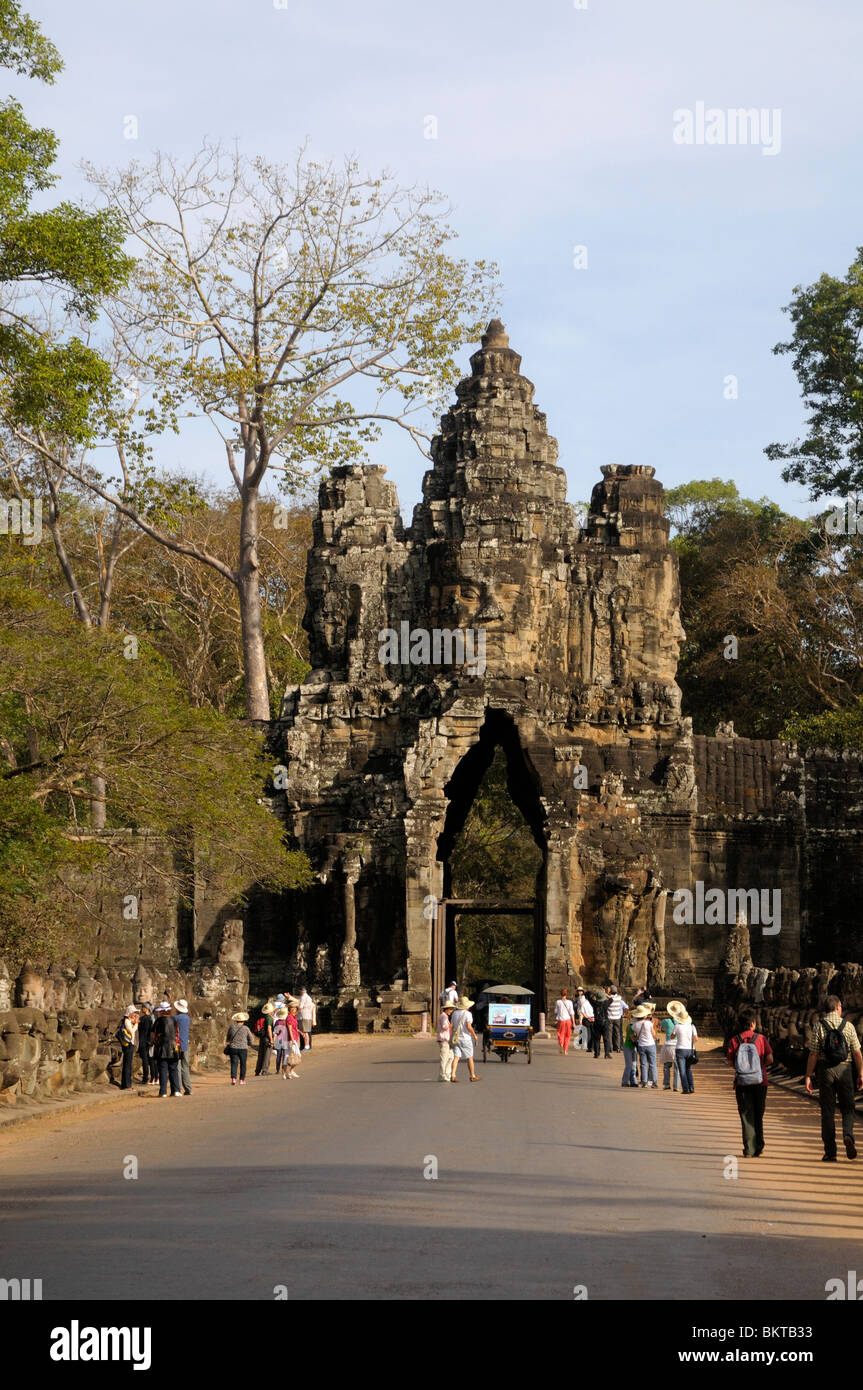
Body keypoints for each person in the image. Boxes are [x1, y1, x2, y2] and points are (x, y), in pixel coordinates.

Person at [804, 994, 863, 1161]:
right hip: (845, 1069)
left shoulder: (819, 1026)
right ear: (838, 1008)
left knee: (827, 1111)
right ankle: (848, 1135)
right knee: (848, 1107)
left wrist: (808, 1075)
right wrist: (861, 1073)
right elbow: (857, 1052)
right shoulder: (849, 1026)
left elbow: (813, 1054)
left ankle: (830, 1152)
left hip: (825, 1070)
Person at [727, 1008, 774, 1157]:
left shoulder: (734, 1040)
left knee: (746, 1115)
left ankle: (749, 1148)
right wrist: (759, 1067)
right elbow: (770, 1059)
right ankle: (759, 1146)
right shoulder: (761, 1039)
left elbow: (730, 1062)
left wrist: (743, 1068)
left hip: (742, 1082)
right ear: (753, 1023)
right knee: (759, 1113)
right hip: (760, 1081)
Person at [449, 995, 481, 1083]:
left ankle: (453, 1075)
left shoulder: (454, 1013)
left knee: (456, 1057)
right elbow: (468, 1026)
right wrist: (474, 1035)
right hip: (465, 1038)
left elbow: (451, 1025)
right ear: (467, 1006)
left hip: (456, 1038)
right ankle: (472, 1075)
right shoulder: (468, 1014)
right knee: (469, 1057)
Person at [668, 1000, 697, 1094]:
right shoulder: (692, 1026)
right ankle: (691, 1087)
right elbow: (696, 1038)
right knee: (688, 1069)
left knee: (682, 1070)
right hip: (690, 1050)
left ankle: (685, 1089)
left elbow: (672, 1037)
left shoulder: (677, 1026)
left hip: (680, 1049)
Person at [153, 1003, 181, 1097]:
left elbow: (153, 1034)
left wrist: (155, 1042)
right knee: (173, 1069)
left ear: (161, 1011)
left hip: (162, 1047)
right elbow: (177, 1033)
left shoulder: (158, 1021)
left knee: (163, 1070)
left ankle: (163, 1091)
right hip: (174, 1047)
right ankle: (176, 1090)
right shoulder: (174, 1020)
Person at [631, 1004, 658, 1087]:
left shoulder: (634, 1025)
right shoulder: (648, 1023)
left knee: (643, 1064)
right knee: (653, 1064)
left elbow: (635, 1035)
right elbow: (654, 1034)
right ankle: (654, 1082)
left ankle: (644, 1082)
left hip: (641, 1045)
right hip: (650, 1044)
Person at [225, 1011, 255, 1086]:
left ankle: (233, 1078)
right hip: (243, 1048)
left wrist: (229, 1041)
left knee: (234, 1063)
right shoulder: (246, 1028)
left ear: (236, 1020)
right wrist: (249, 1044)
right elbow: (251, 1038)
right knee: (243, 1064)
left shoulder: (232, 1027)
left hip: (233, 1048)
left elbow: (228, 1037)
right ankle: (242, 1079)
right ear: (243, 1021)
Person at [116, 1006, 138, 1090]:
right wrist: (136, 1024)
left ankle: (127, 1084)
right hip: (127, 1044)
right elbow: (131, 1032)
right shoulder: (127, 1021)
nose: (135, 1014)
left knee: (128, 1064)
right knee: (127, 1064)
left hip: (130, 1044)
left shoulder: (130, 1021)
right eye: (134, 1013)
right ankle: (126, 1085)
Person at [173, 998, 192, 1095]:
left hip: (177, 1044)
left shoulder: (175, 1018)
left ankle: (178, 1088)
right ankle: (188, 1088)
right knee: (185, 1067)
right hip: (185, 1044)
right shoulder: (187, 1018)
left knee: (178, 1067)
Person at [659, 1012, 680, 1092]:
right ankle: (676, 1086)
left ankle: (667, 1084)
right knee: (677, 1068)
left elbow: (660, 1026)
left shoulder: (667, 1021)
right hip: (678, 1046)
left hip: (668, 1045)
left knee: (666, 1066)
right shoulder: (681, 1023)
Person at [137, 1003, 156, 1085]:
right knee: (150, 1060)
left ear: (146, 1008)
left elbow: (145, 1031)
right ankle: (153, 1077)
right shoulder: (149, 1018)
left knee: (145, 1060)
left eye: (143, 1007)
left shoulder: (145, 1019)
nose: (141, 1009)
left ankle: (145, 1078)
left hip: (144, 1041)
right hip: (148, 1041)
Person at [554, 988, 576, 1055]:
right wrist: (574, 1023)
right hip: (568, 1020)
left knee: (560, 1034)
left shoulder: (558, 1002)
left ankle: (561, 1044)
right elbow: (572, 1013)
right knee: (567, 1035)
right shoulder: (570, 1002)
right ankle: (565, 1050)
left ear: (561, 994)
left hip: (561, 1020)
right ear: (566, 994)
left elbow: (555, 1011)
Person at [437, 1000, 455, 1081]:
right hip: (444, 1039)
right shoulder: (443, 1016)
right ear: (447, 1009)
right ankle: (442, 1075)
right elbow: (444, 1027)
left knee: (450, 1057)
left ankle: (447, 1073)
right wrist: (450, 1025)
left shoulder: (445, 1016)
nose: (451, 1011)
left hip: (447, 1039)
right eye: (450, 1009)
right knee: (444, 1058)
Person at [606, 987, 628, 1053]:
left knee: (609, 1033)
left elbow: (609, 997)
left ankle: (610, 1048)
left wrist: (606, 993)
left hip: (610, 1017)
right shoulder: (619, 998)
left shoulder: (608, 999)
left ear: (610, 991)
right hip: (617, 1017)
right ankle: (618, 1048)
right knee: (617, 1033)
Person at [591, 989, 612, 1059]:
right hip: (605, 1021)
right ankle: (606, 1054)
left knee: (597, 1038)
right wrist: (606, 994)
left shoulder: (594, 1003)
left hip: (597, 1021)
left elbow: (590, 998)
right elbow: (611, 999)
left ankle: (596, 1053)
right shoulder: (606, 1003)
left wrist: (594, 994)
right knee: (606, 1038)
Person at [255, 1003, 275, 1076]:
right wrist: (271, 1040)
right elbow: (269, 1029)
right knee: (267, 1054)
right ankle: (264, 1070)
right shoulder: (269, 1018)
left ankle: (257, 1070)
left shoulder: (263, 1017)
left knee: (261, 1054)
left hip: (262, 1037)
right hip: (267, 1038)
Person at [285, 999, 302, 1078]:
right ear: (290, 1008)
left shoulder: (294, 1017)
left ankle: (289, 1072)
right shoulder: (289, 1017)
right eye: (292, 1007)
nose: (294, 1009)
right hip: (291, 1038)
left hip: (295, 1037)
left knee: (292, 1055)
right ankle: (290, 1071)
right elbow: (290, 1029)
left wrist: (300, 1032)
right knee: (297, 1055)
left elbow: (295, 1028)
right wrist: (292, 1039)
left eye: (295, 1007)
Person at [621, 1016, 639, 1087]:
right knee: (629, 1065)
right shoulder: (631, 1027)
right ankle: (625, 1081)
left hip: (633, 1047)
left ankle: (633, 1081)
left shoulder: (635, 1027)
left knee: (634, 1065)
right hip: (628, 1047)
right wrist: (639, 1036)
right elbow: (633, 1039)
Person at [272, 1007, 289, 1075]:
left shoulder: (277, 1022)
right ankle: (283, 1069)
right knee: (285, 1055)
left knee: (278, 1055)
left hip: (278, 1040)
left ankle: (277, 1070)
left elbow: (275, 1033)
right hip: (285, 1040)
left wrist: (273, 1041)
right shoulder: (286, 1021)